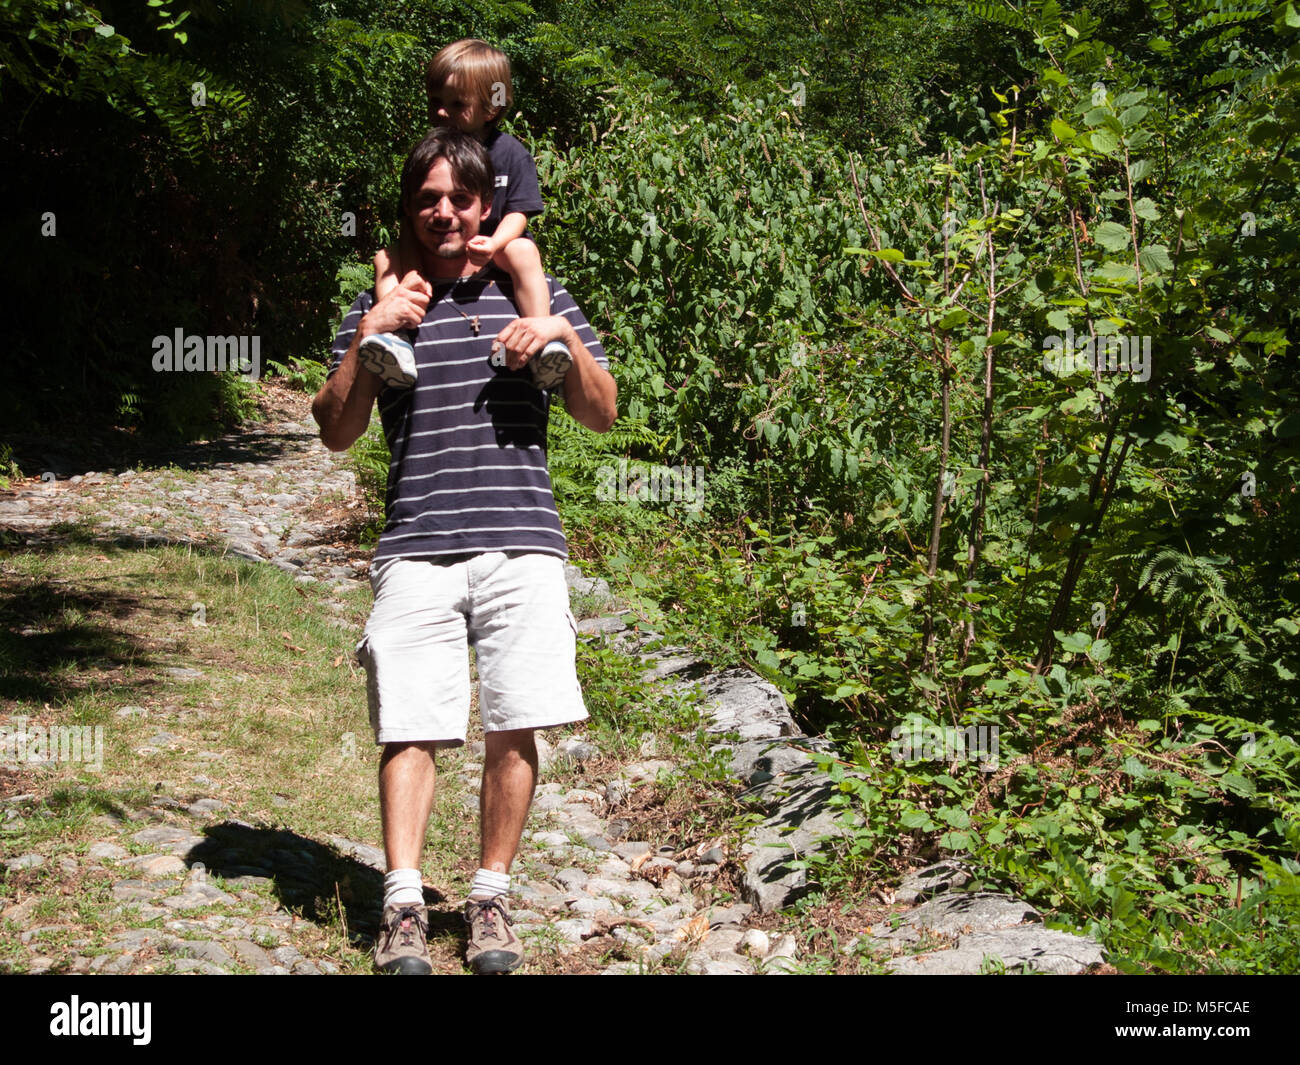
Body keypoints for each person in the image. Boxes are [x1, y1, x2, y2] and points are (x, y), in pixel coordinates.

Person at [311, 127, 617, 975]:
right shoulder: (383, 308)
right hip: (415, 544)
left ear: (487, 205)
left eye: (460, 198)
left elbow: (602, 411)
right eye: (427, 199)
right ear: (411, 211)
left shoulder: (534, 293)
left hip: (524, 541)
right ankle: (402, 903)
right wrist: (371, 332)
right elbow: (336, 430)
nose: (444, 212)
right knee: (410, 726)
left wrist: (553, 328)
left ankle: (490, 897)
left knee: (513, 722)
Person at [359, 38, 572, 394]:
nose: (441, 113)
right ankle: (395, 341)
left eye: (456, 104)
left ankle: (540, 339)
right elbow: (410, 220)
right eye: (435, 102)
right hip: (442, 251)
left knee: (523, 251)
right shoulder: (429, 156)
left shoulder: (509, 153)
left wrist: (494, 243)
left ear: (490, 108)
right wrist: (411, 272)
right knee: (385, 258)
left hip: (495, 248)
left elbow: (520, 213)